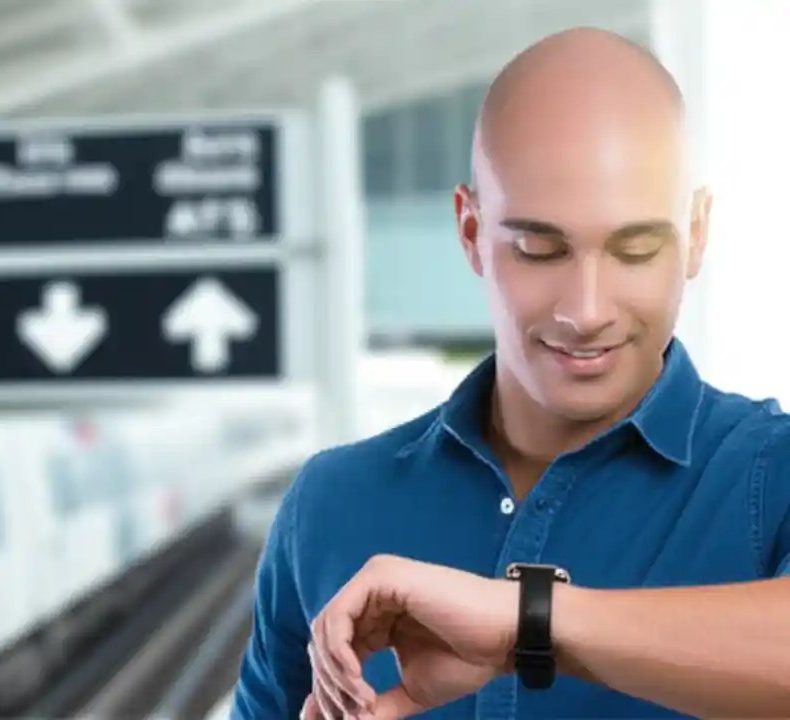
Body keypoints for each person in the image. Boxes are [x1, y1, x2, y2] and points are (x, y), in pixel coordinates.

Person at [230, 26, 790, 720]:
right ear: (470, 231)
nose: (586, 311)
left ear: (697, 233)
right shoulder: (329, 505)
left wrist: (526, 621)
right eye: (538, 248)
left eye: (636, 249)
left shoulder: (774, 474)